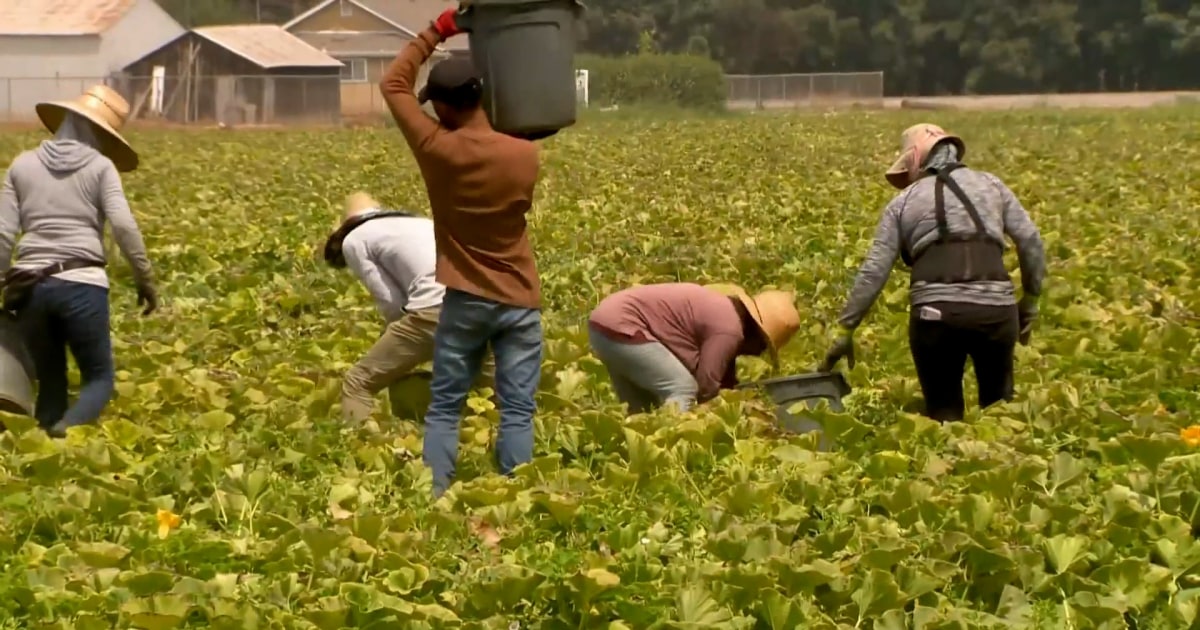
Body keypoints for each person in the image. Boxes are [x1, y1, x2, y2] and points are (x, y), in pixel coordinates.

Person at [379, 9, 542, 496]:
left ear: (444, 108)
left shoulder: (436, 147)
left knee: (446, 404)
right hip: (520, 299)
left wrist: (438, 29)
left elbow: (393, 85)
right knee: (517, 408)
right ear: (481, 96)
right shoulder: (524, 154)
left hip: (467, 298)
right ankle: (516, 493)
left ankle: (437, 493)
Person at [820, 123, 1046, 422]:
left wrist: (845, 329)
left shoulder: (903, 202)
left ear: (914, 159)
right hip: (997, 312)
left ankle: (948, 444)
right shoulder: (992, 185)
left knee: (943, 414)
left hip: (935, 315)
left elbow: (874, 269)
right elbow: (1030, 240)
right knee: (999, 412)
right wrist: (1029, 302)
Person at [0, 85, 158, 437]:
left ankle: (45, 458)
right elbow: (123, 226)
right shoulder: (101, 168)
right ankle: (65, 432)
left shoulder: (22, 165)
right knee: (99, 379)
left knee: (51, 378)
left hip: (30, 287)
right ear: (102, 135)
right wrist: (144, 281)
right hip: (82, 285)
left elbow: (2, 233)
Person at [324, 191, 495, 424]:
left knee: (358, 383)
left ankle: (358, 447)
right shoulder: (419, 222)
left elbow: (391, 302)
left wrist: (395, 345)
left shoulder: (354, 239)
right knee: (494, 394)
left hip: (439, 309)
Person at [588, 282, 801, 414]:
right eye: (762, 347)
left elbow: (722, 377)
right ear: (757, 333)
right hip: (624, 324)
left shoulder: (724, 312)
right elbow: (707, 382)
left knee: (641, 412)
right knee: (682, 388)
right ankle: (674, 452)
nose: (756, 353)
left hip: (603, 325)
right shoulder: (729, 330)